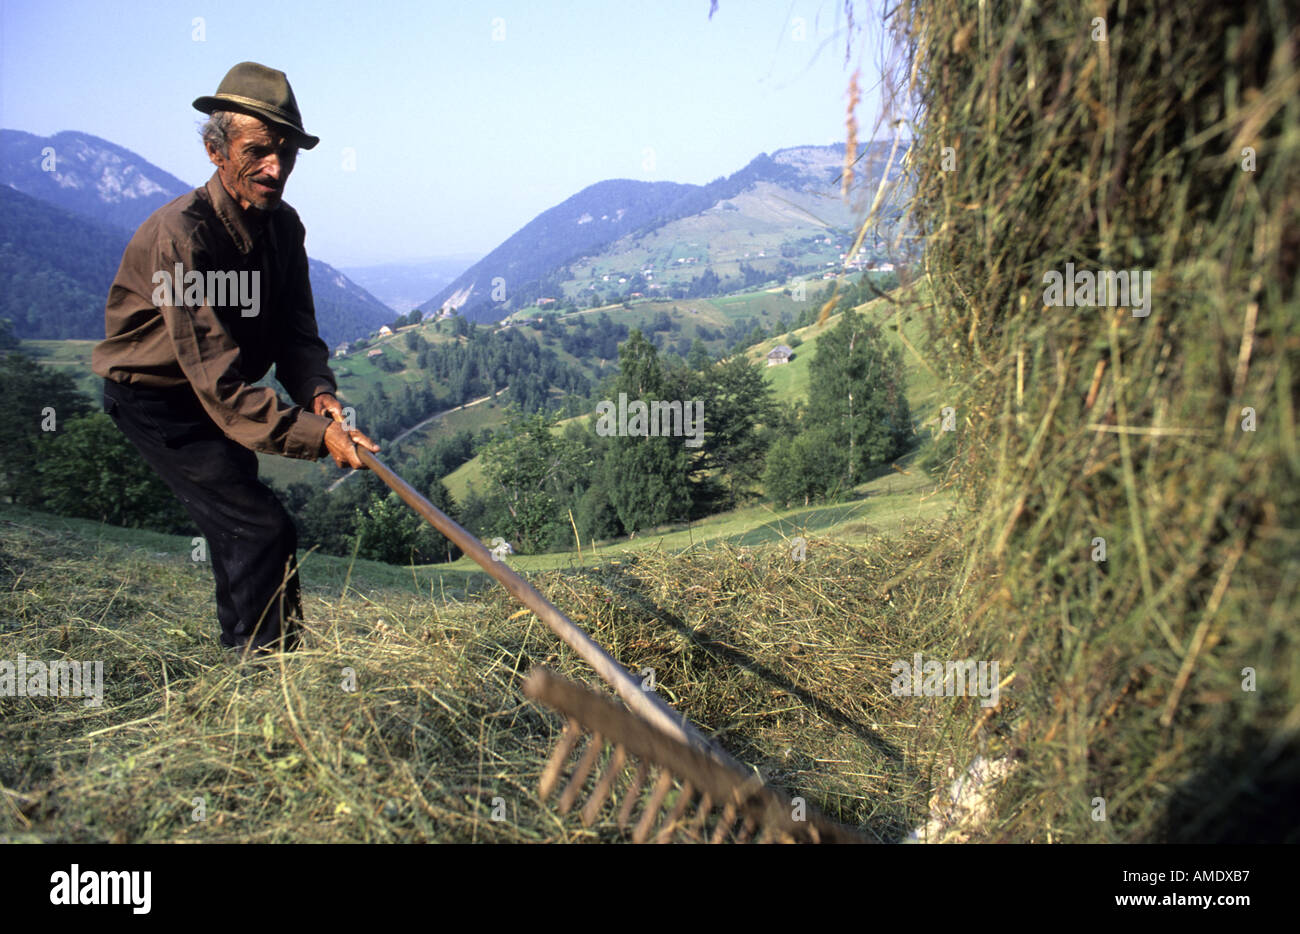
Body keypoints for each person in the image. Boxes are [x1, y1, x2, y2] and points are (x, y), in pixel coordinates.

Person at [91, 62, 379, 659]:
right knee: (258, 525)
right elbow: (216, 381)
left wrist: (321, 396)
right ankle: (263, 672)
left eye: (286, 154)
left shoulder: (283, 226)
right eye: (258, 151)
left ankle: (253, 654)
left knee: (243, 522)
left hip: (212, 391)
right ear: (216, 150)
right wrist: (318, 438)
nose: (275, 169)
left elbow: (297, 332)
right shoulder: (182, 238)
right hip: (158, 400)